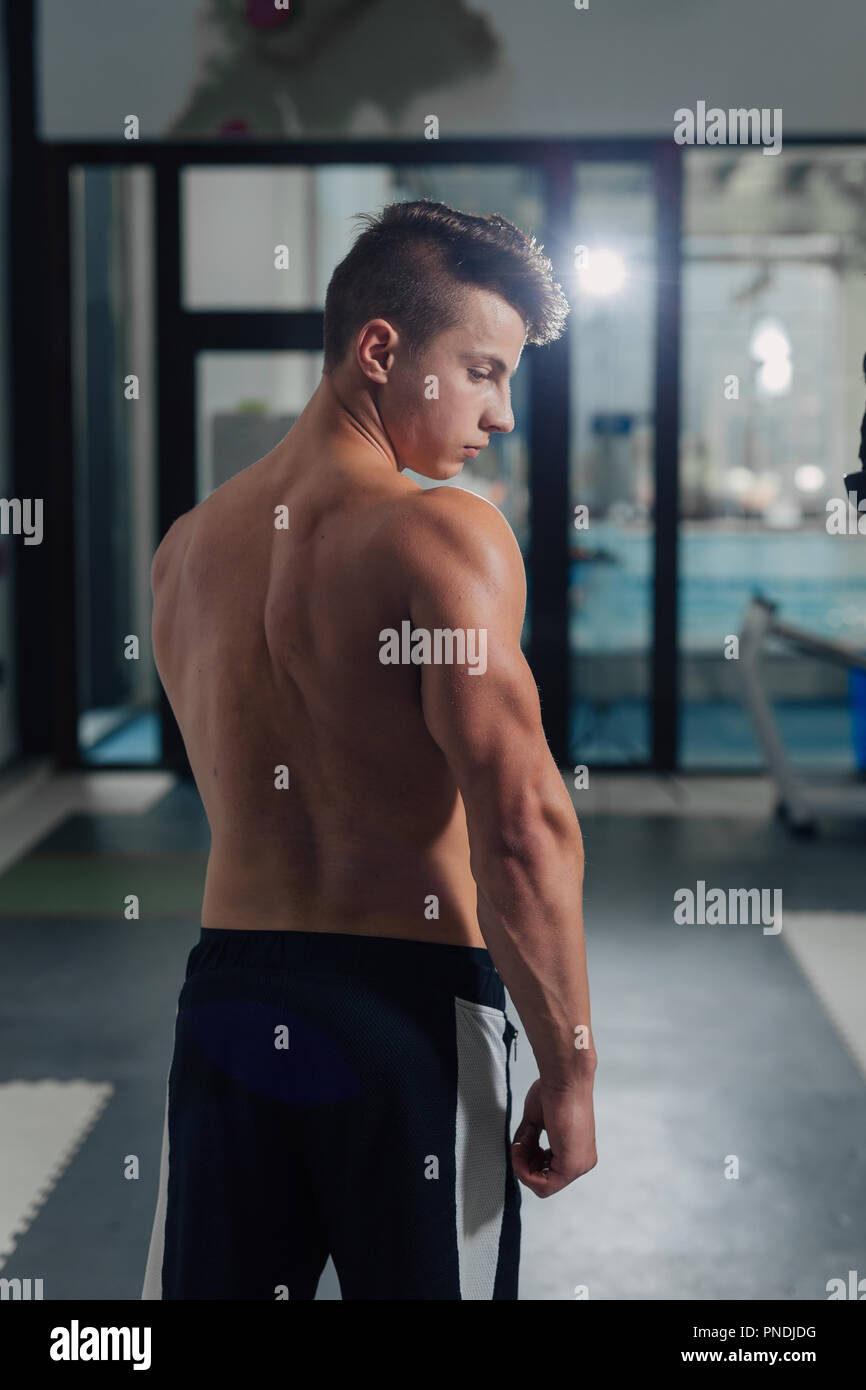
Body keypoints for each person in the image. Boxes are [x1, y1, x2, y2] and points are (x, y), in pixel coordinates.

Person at [141, 198, 596, 1302]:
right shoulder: (445, 532)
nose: (499, 413)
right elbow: (521, 828)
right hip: (407, 1011)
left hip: (228, 1006)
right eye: (483, 370)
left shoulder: (187, 549)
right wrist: (569, 1067)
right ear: (381, 349)